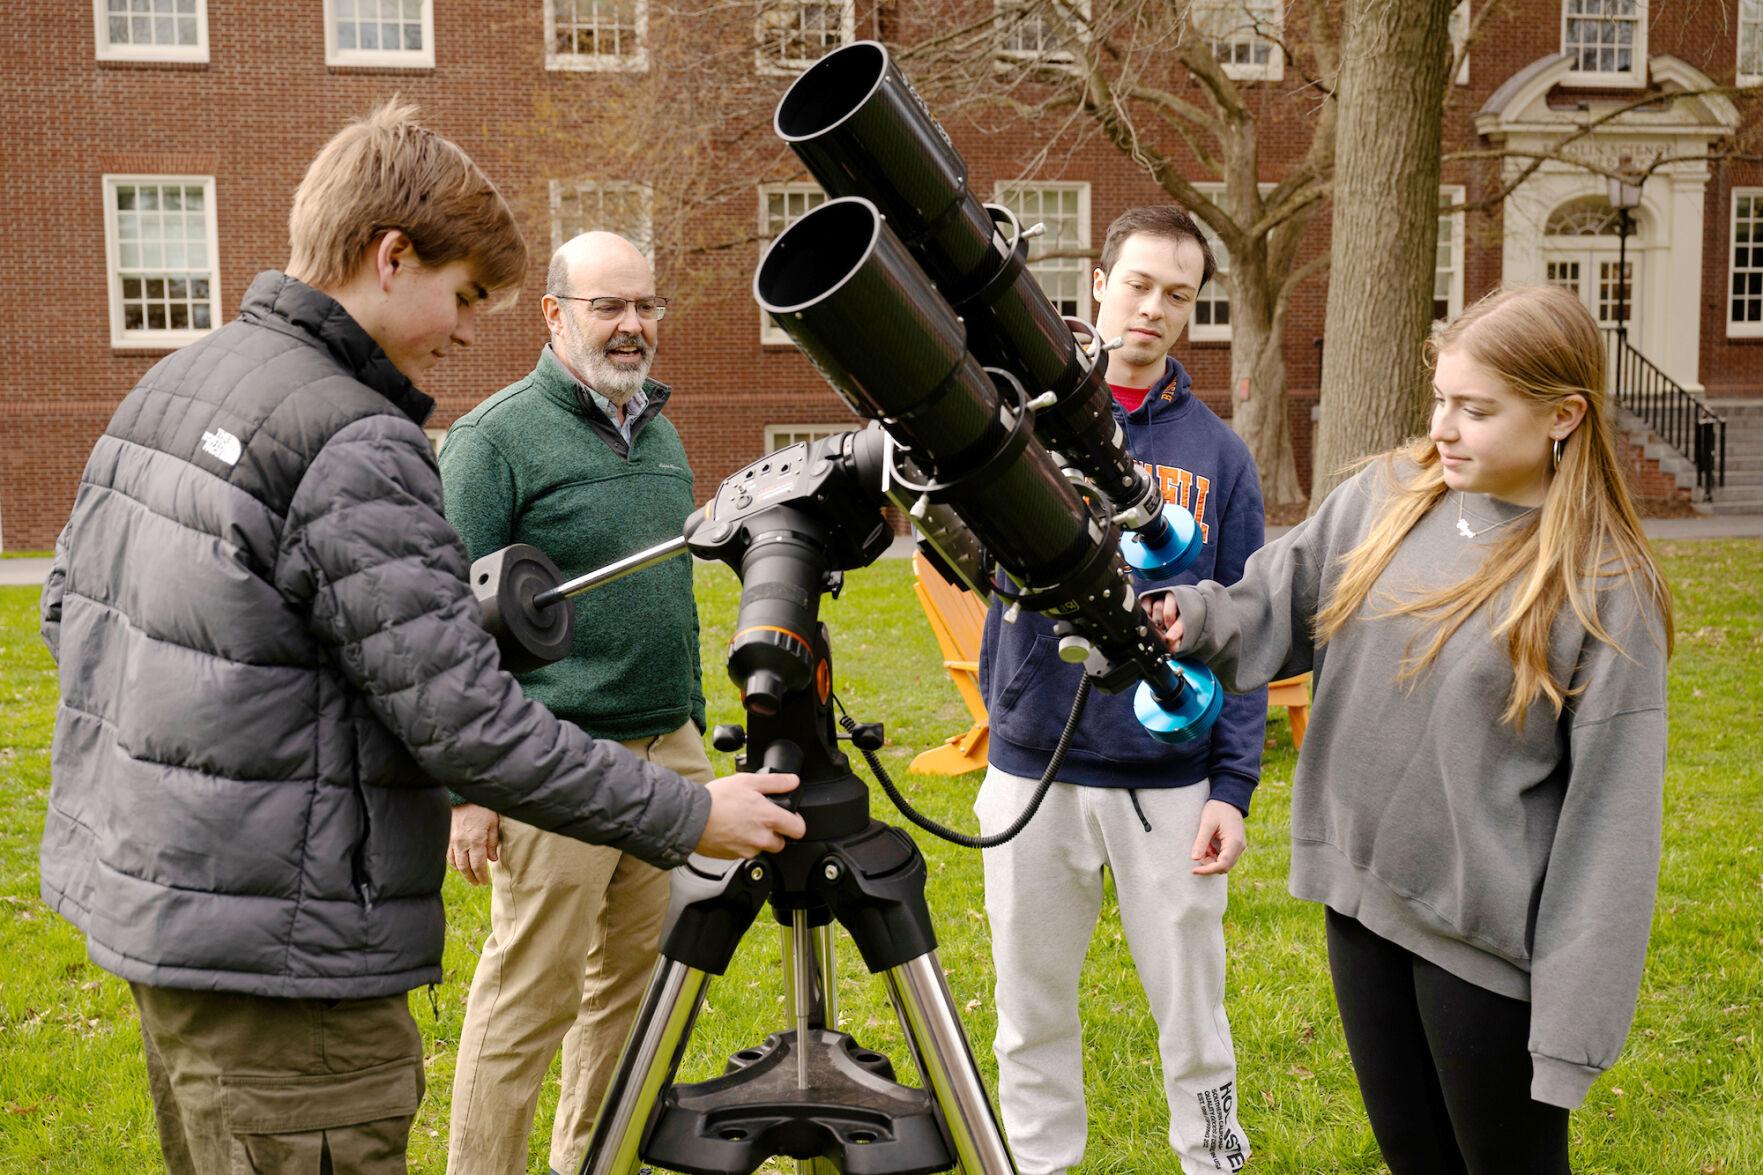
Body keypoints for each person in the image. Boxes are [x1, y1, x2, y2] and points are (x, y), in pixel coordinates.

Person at [35, 100, 803, 1175]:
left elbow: (68, 610)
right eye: (463, 294)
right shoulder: (355, 439)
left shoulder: (173, 382)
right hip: (289, 965)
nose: (464, 328)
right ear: (390, 256)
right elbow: (466, 722)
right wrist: (687, 810)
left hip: (169, 923)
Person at [1157, 284, 1672, 1173]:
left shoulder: (1603, 588)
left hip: (1480, 946)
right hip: (1360, 902)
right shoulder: (1385, 496)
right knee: (1412, 1159)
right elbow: (1268, 604)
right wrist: (1180, 618)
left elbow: (1611, 833)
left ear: (1563, 415)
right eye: (1440, 399)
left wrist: (1568, 1033)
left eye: (1475, 409)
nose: (1442, 427)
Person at [975, 205, 1266, 1175]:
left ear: (1192, 307)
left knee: (1193, 1017)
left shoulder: (1217, 456)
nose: (1152, 308)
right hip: (1033, 769)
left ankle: (1211, 1160)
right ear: (1097, 283)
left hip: (1168, 777)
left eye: (1176, 294)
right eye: (1137, 283)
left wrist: (1231, 786)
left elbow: (1247, 628)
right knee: (1028, 1012)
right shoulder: (1020, 418)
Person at [441, 231, 710, 1175]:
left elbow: (673, 594)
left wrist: (691, 715)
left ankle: (591, 1164)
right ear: (554, 314)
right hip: (548, 762)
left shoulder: (660, 426)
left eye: (644, 305)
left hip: (666, 753)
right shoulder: (492, 440)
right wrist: (468, 791)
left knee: (632, 996)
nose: (632, 325)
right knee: (528, 1001)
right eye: (608, 306)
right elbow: (443, 629)